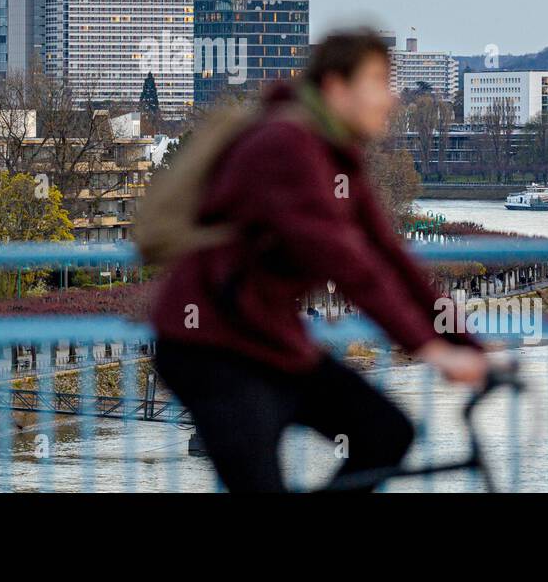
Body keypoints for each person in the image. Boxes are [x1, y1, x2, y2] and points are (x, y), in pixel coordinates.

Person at [144, 28, 489, 493]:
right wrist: (427, 347)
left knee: (384, 432)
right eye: (377, 83)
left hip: (268, 341)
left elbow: (389, 255)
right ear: (335, 87)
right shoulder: (286, 145)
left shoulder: (336, 156)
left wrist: (466, 344)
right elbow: (346, 263)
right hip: (211, 348)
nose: (389, 99)